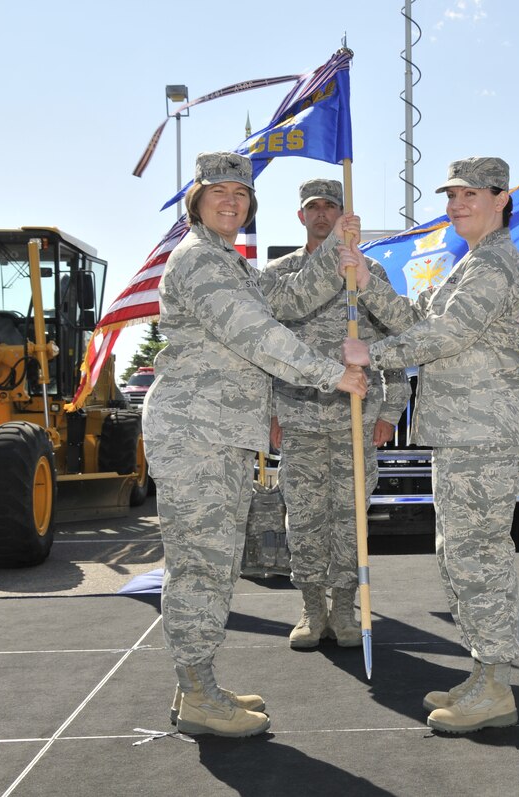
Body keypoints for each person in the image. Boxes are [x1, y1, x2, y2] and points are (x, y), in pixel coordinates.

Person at [142, 151, 368, 738]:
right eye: (219, 192)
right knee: (201, 567)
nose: (232, 202)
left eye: (241, 195)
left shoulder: (229, 263)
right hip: (198, 435)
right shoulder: (200, 262)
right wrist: (331, 374)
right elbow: (257, 332)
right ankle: (196, 693)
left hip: (218, 435)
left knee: (214, 565)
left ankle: (198, 682)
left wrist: (334, 255)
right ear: (196, 200)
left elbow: (285, 304)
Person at [341, 157, 519, 734]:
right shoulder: (470, 263)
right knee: (460, 555)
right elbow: (418, 318)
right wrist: (369, 281)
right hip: (462, 433)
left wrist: (369, 354)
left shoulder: (495, 263)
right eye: (451, 195)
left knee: (479, 558)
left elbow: (446, 335)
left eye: (470, 194)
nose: (456, 204)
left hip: (483, 432)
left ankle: (496, 683)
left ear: (501, 199)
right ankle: (483, 671)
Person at [265, 178, 409, 650]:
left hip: (356, 421)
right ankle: (311, 610)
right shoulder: (279, 276)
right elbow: (262, 351)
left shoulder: (369, 275)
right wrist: (270, 414)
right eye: (313, 207)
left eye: (332, 206)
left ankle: (345, 611)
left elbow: (396, 346)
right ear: (300, 216)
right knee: (304, 519)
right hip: (300, 419)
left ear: (345, 214)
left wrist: (390, 409)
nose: (322, 215)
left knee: (351, 521)